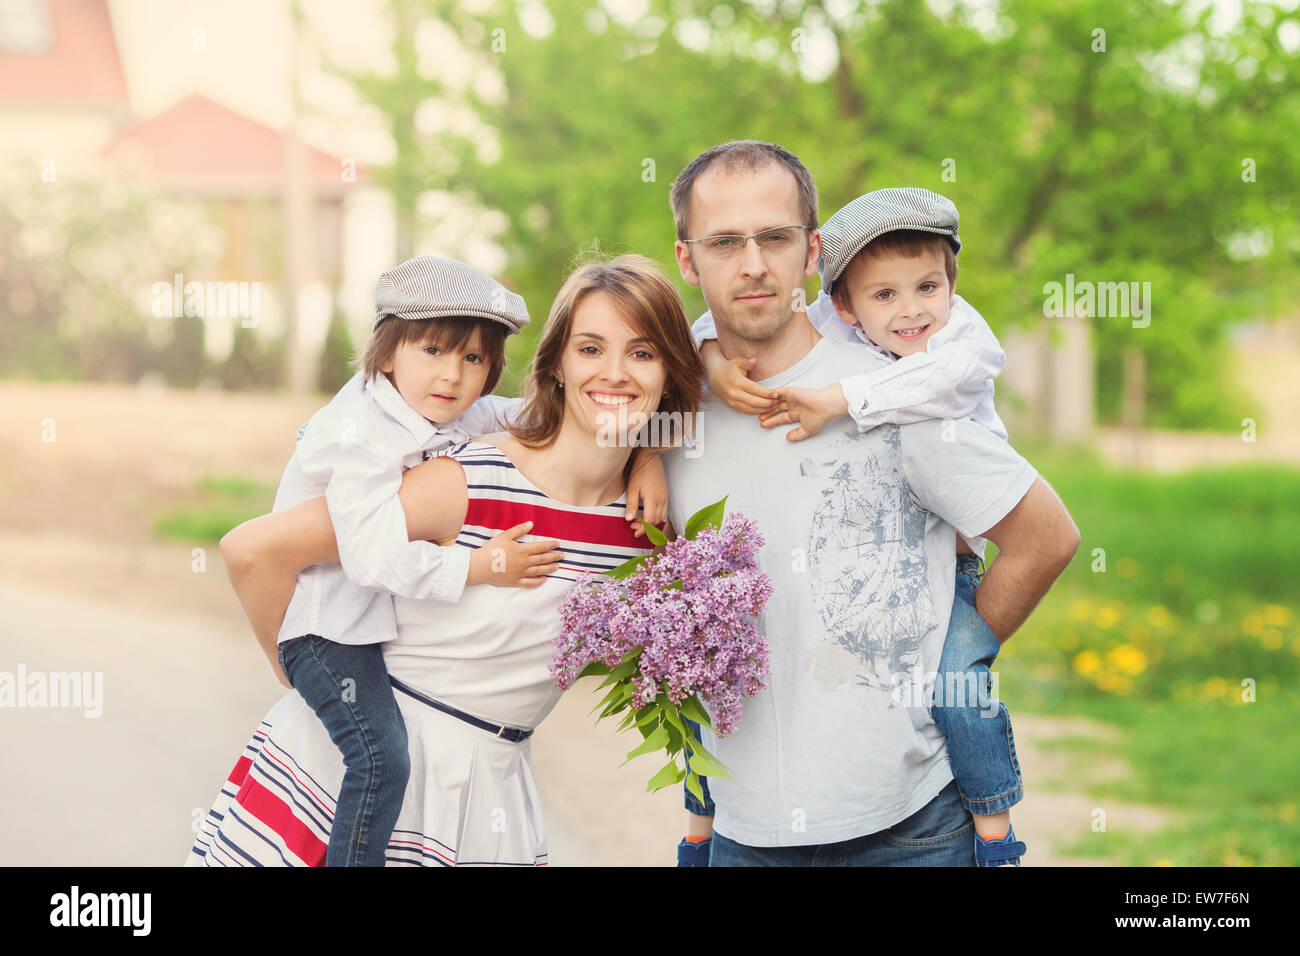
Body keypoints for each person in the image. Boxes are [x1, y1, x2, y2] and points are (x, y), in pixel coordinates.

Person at [187, 253, 705, 866]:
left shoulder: (646, 526)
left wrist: (644, 454)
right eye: (590, 349)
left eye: (642, 354)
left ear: (668, 373)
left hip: (492, 794)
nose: (615, 373)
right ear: (558, 364)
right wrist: (299, 671)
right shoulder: (461, 480)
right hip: (355, 785)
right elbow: (253, 550)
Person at [664, 140, 1080, 867]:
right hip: (742, 832)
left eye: (776, 237)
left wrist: (949, 663)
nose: (754, 263)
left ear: (813, 251)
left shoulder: (899, 389)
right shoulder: (669, 409)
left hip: (909, 829)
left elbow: (1045, 537)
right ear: (688, 260)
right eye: (725, 242)